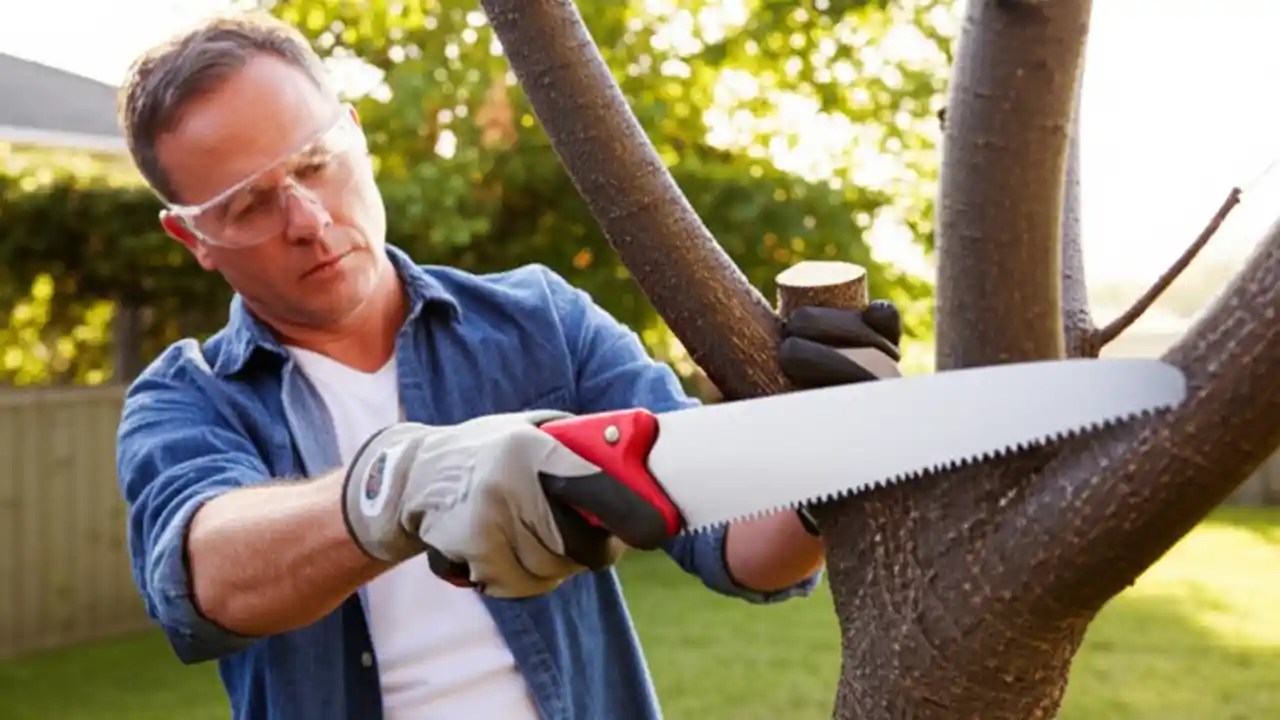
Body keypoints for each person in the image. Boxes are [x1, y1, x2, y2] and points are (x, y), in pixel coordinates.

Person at [113, 12, 904, 720]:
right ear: (193, 239)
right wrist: (399, 485)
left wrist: (826, 452)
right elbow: (206, 577)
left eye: (317, 161)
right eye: (249, 205)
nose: (308, 221)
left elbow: (736, 543)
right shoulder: (185, 402)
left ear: (355, 133)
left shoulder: (540, 323)